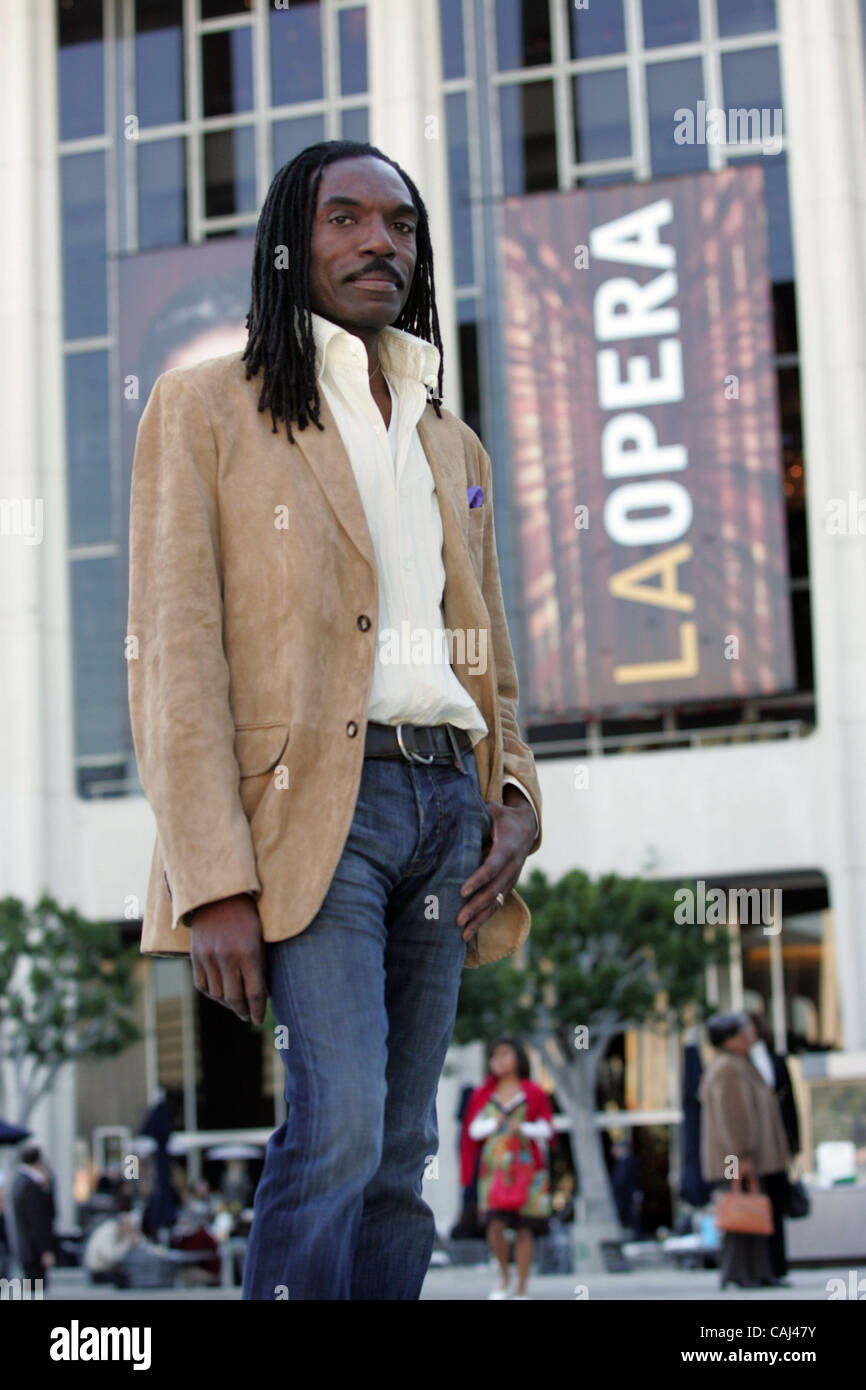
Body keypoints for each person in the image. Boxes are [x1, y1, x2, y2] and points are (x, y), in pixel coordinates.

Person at [127, 140, 543, 1301]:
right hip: (312, 815)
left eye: (399, 225)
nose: (378, 243)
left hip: (443, 812)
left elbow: (487, 652)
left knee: (405, 1152)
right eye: (345, 218)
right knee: (342, 1124)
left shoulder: (444, 437)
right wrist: (210, 876)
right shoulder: (207, 407)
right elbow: (173, 653)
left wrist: (512, 796)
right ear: (288, 243)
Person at [698, 1012, 790, 1289]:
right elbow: (733, 1117)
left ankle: (756, 1271)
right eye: (745, 1031)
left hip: (737, 1155)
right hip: (734, 1155)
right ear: (730, 1038)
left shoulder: (738, 1063)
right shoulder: (729, 1067)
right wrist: (741, 1156)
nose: (751, 1035)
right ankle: (740, 1272)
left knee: (747, 1207)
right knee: (738, 1209)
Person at [460, 1037, 554, 1299]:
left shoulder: (533, 1092)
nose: (498, 1061)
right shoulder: (483, 1095)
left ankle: (522, 1286)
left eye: (504, 1055)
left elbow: (547, 1128)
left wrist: (522, 1127)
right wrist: (494, 1123)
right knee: (494, 1225)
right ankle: (503, 1276)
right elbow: (472, 1131)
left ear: (518, 1058)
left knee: (525, 1228)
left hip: (528, 1170)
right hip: (495, 1170)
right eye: (494, 1056)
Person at [748, 1009, 801, 1282]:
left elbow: (790, 1104)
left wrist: (794, 1145)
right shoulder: (734, 1064)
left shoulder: (775, 1060)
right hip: (744, 1153)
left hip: (775, 1147)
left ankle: (776, 1269)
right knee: (746, 1207)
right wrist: (731, 1163)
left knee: (775, 1206)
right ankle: (752, 1270)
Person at [11, 1144, 56, 1289]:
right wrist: (45, 1249)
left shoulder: (19, 1182)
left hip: (27, 1248)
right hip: (34, 1250)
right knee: (37, 1289)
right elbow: (38, 1220)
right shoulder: (31, 1186)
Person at [83, 1196, 143, 1287]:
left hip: (105, 1270)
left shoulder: (115, 1231)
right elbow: (111, 1257)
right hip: (99, 1272)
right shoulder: (108, 1231)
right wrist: (128, 1242)